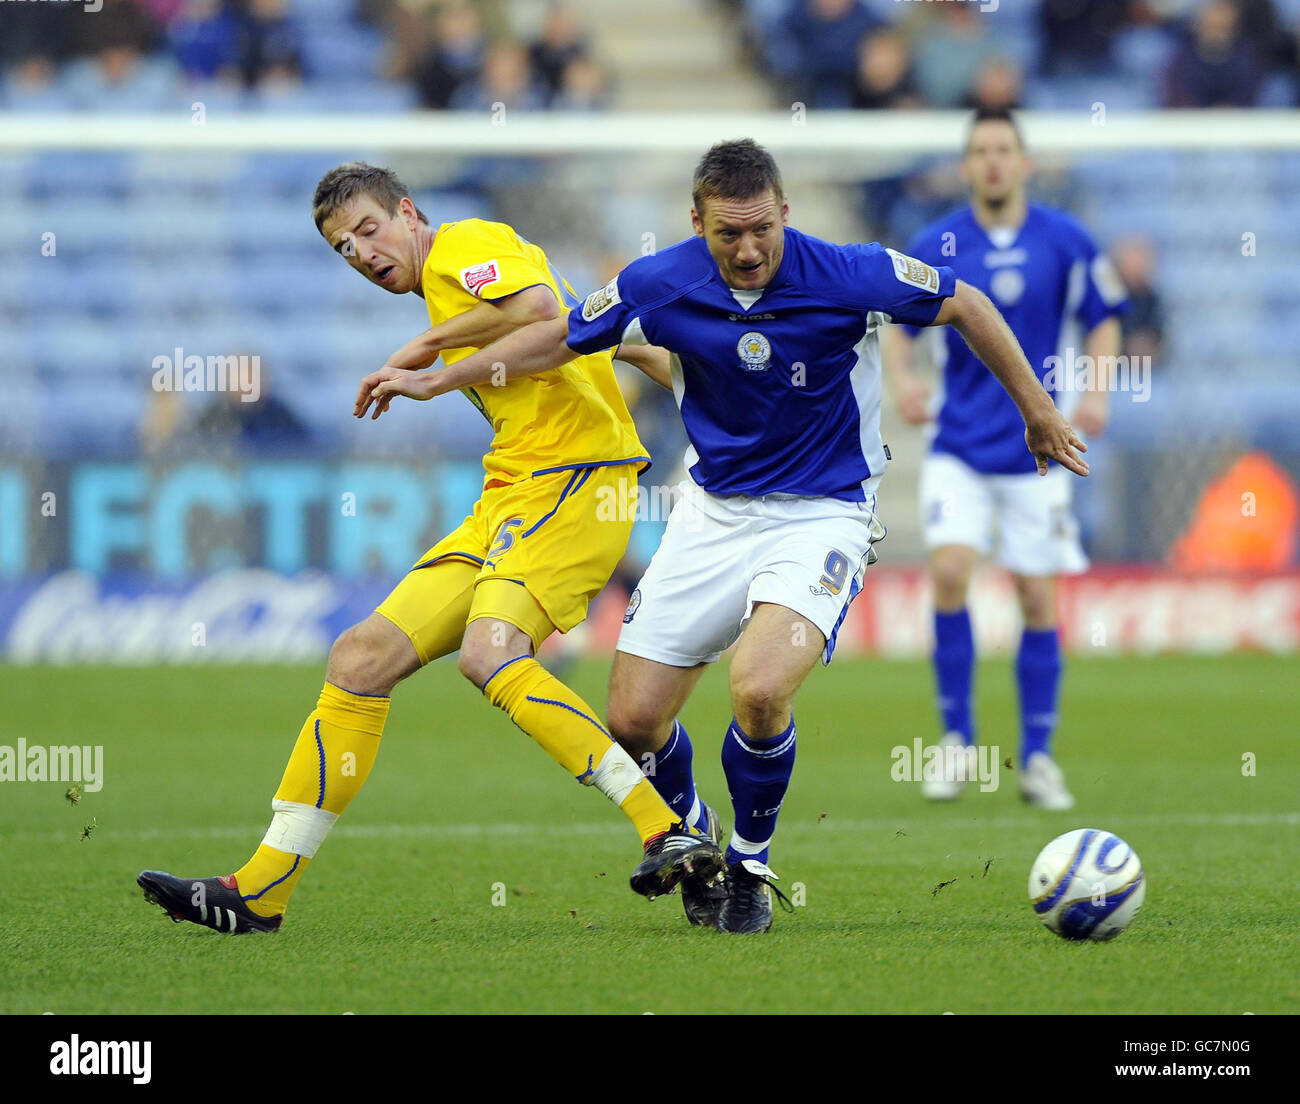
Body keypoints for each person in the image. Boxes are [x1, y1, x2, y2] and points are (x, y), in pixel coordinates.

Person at [354, 139, 1089, 933]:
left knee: (760, 686)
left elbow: (968, 304)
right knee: (633, 722)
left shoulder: (851, 272)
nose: (748, 250)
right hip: (711, 513)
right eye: (727, 234)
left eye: (762, 230)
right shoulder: (657, 281)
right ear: (695, 222)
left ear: (785, 213)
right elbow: (562, 334)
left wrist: (1039, 412)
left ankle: (748, 859)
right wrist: (436, 374)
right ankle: (693, 834)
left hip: (824, 510)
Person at [138, 162, 721, 934]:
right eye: (344, 249)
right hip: (510, 493)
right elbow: (574, 324)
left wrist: (430, 364)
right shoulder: (455, 285)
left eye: (370, 231)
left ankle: (665, 827)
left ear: (408, 213)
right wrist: (680, 374)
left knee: (490, 654)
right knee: (360, 658)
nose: (363, 253)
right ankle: (260, 891)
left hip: (575, 481)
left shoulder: (460, 247)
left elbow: (541, 308)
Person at [882, 108, 1127, 809]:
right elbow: (897, 326)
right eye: (981, 151)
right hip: (959, 443)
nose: (993, 161)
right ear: (965, 167)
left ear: (1024, 162)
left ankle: (1040, 758)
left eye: (1004, 149)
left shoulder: (1065, 238)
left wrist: (1098, 394)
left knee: (1035, 593)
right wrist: (905, 380)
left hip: (1038, 451)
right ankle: (957, 745)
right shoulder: (937, 240)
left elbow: (1105, 316)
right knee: (952, 569)